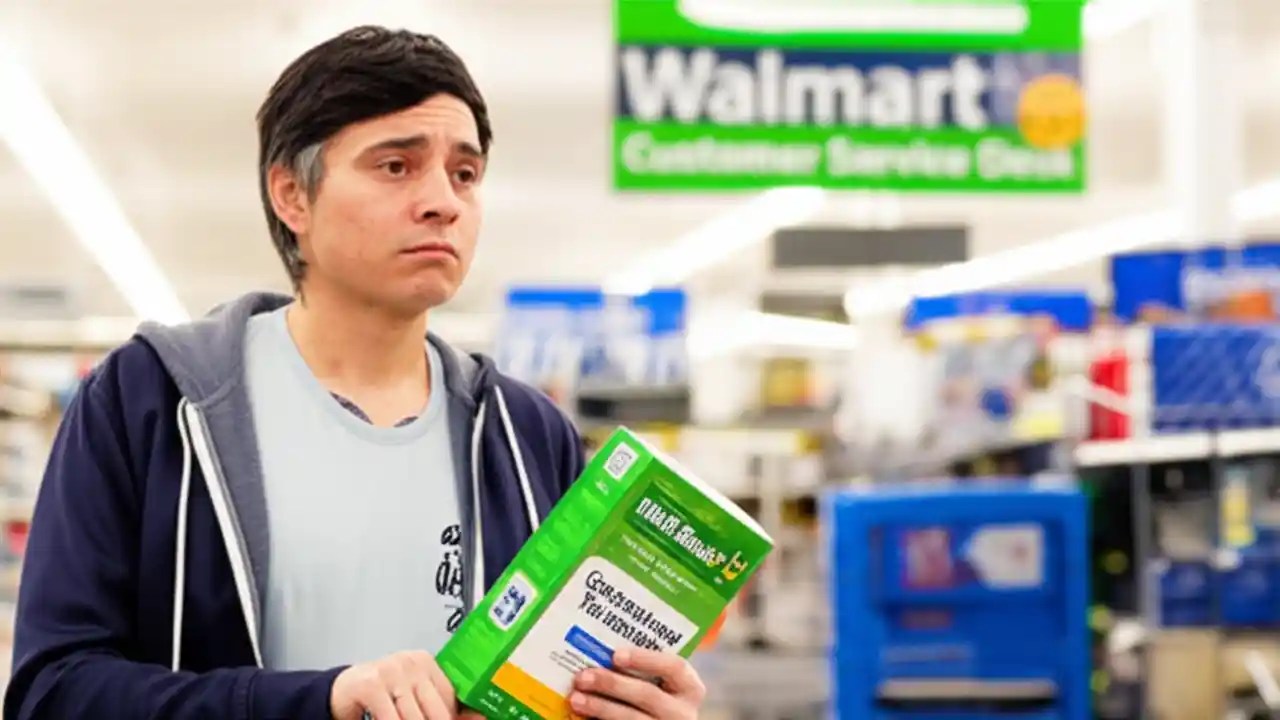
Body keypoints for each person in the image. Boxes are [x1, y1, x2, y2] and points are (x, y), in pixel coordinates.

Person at [4, 26, 707, 720]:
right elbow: (52, 690)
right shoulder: (150, 403)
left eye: (464, 173)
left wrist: (631, 702)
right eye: (396, 166)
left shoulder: (526, 437)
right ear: (292, 196)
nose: (444, 200)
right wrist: (323, 701)